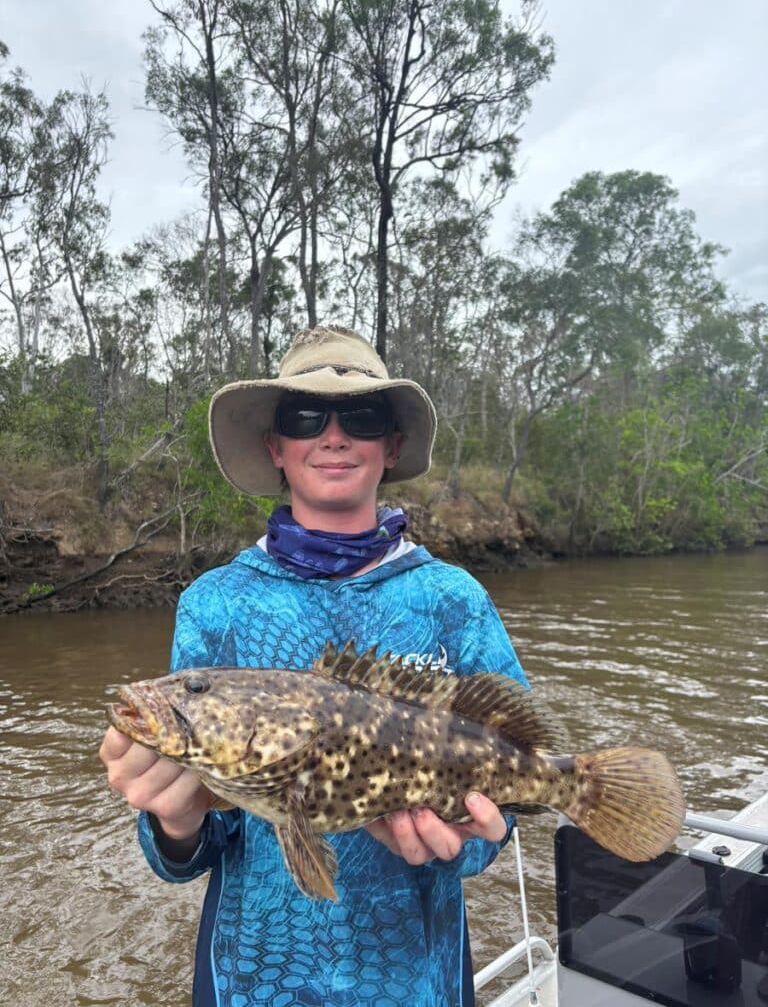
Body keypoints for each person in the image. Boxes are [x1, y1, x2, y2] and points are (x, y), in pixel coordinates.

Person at [100, 326, 529, 1007]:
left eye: (360, 416)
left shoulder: (452, 599)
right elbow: (194, 846)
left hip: (417, 978)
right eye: (305, 416)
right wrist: (172, 824)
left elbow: (509, 795)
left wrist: (468, 841)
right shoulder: (216, 604)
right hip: (254, 978)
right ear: (276, 444)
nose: (333, 435)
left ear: (390, 444)